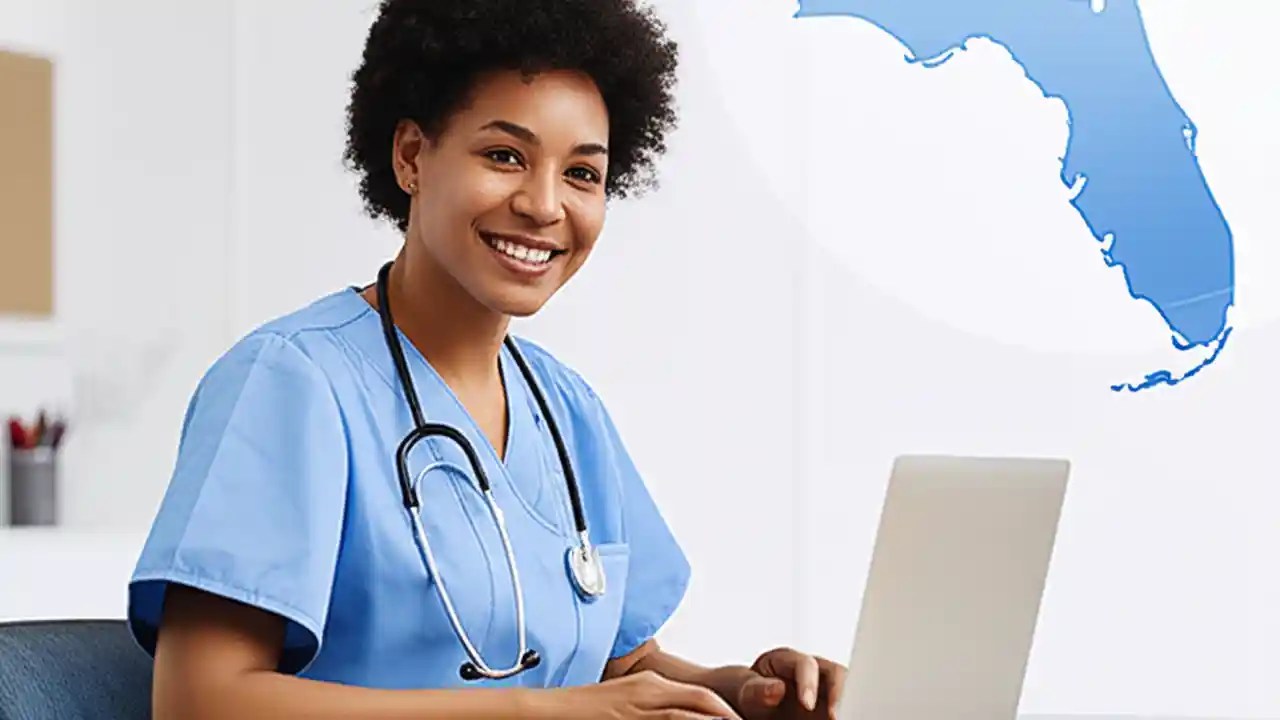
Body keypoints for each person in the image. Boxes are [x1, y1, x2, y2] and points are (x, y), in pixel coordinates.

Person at [126, 0, 846, 717]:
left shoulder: (566, 412)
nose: (543, 205)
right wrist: (539, 715)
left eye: (582, 174)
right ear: (411, 156)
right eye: (505, 156)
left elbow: (620, 663)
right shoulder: (292, 383)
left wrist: (745, 691)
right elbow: (201, 702)